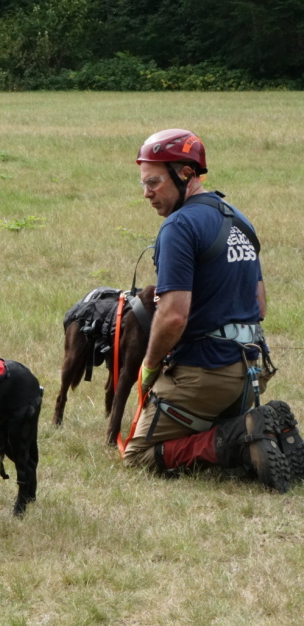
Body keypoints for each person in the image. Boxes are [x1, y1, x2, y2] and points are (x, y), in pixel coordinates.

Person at [121, 128, 304, 491]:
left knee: (138, 455)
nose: (147, 193)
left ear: (185, 174)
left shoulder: (179, 227)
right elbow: (260, 304)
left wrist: (150, 366)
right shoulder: (239, 219)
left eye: (154, 182)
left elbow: (173, 316)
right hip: (249, 374)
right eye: (144, 183)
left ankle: (242, 436)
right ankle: (270, 431)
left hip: (205, 375)